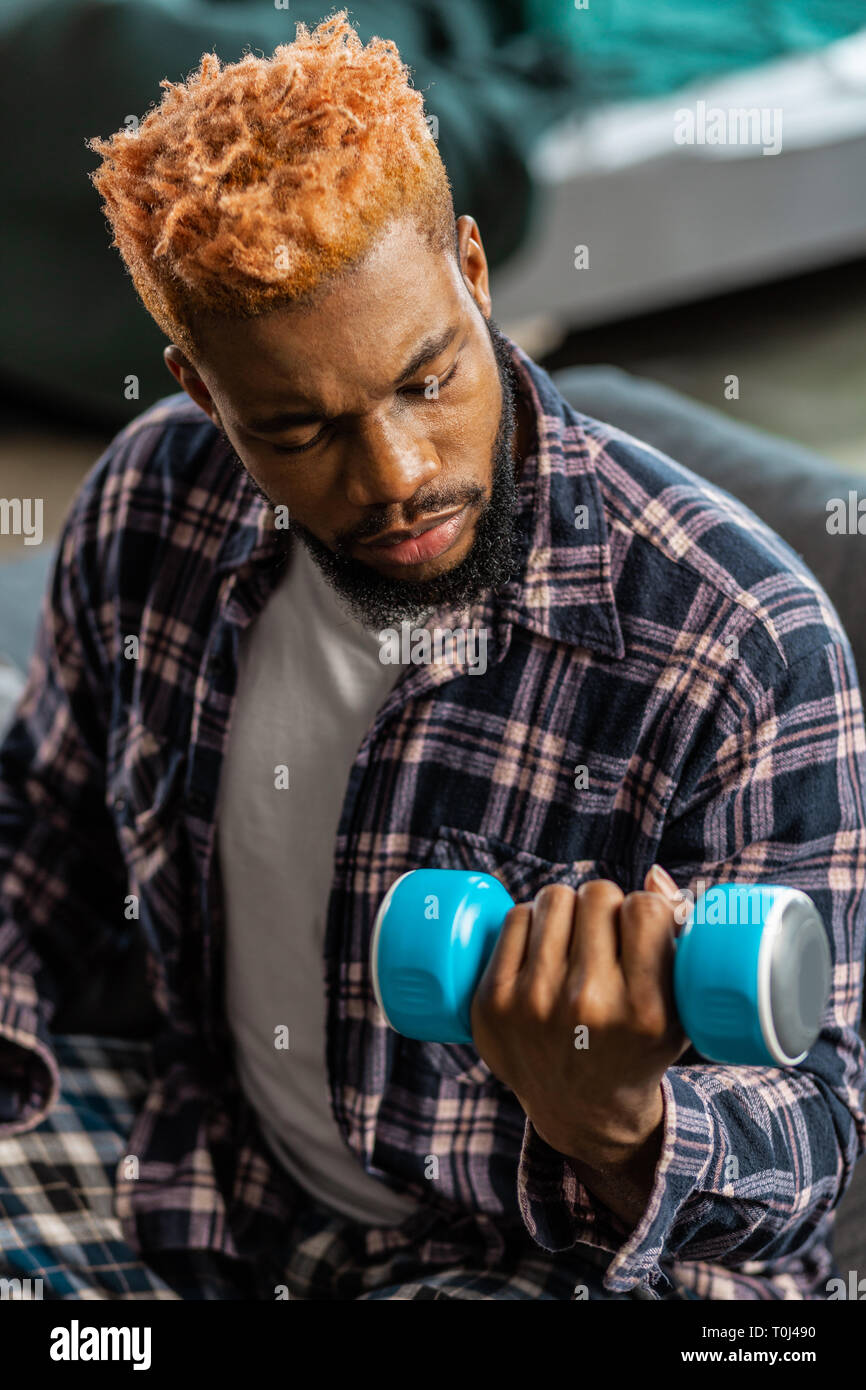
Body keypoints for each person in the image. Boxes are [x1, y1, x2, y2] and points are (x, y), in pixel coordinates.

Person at [0, 10, 864, 1301]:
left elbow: (807, 1160)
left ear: (471, 268)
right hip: (216, 1184)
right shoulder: (147, 506)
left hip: (545, 1260)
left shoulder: (743, 641)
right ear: (198, 388)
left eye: (425, 379)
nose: (397, 477)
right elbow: (46, 829)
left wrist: (617, 1118)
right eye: (298, 428)